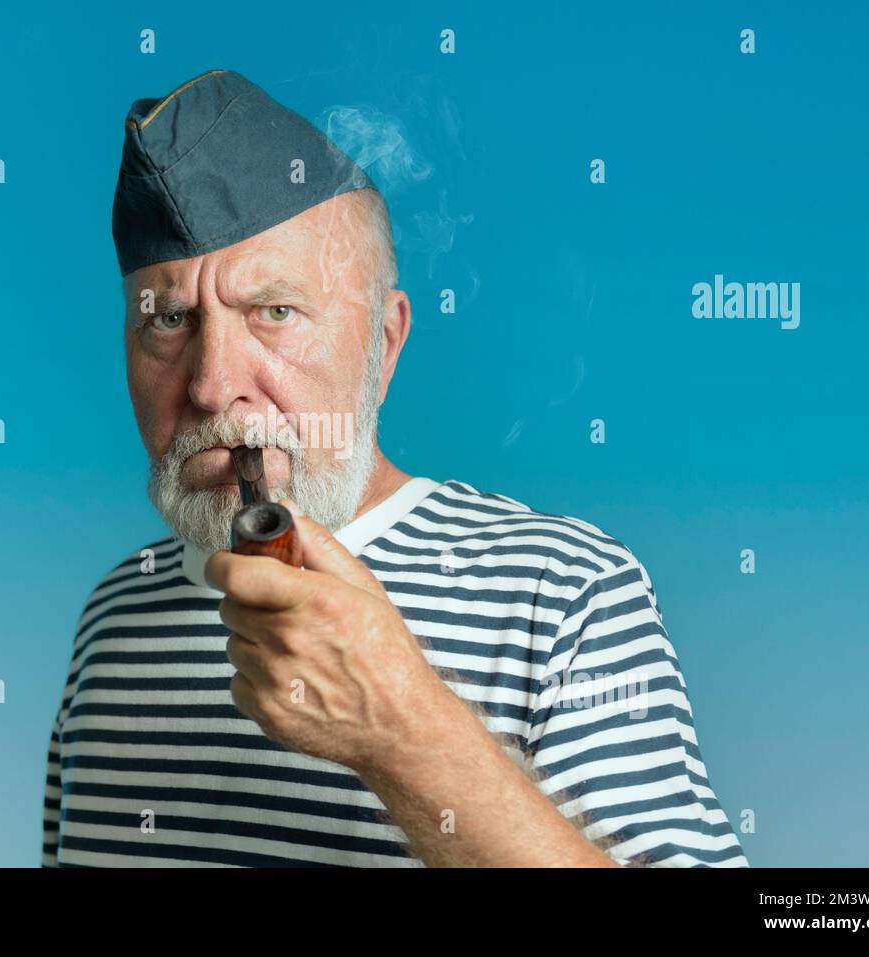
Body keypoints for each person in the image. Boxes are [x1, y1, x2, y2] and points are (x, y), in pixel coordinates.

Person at [42, 69, 748, 867]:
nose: (212, 384)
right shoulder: (113, 614)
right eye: (169, 319)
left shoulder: (565, 595)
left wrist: (402, 729)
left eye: (274, 311)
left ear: (384, 344)